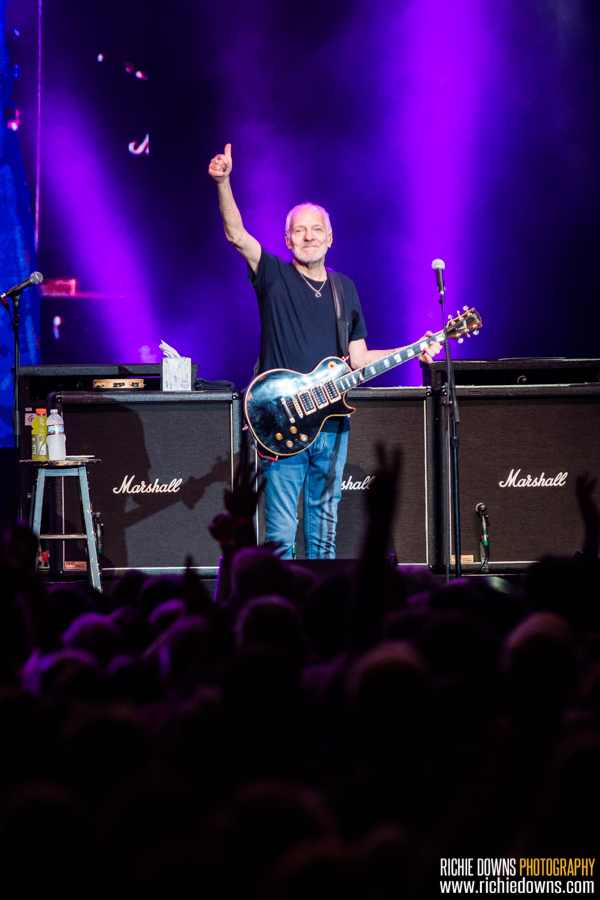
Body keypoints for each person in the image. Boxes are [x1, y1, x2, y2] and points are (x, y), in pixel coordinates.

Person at [208, 143, 442, 560]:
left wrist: (416, 348)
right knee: (280, 539)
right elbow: (236, 235)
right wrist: (224, 182)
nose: (309, 236)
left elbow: (359, 358)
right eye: (299, 230)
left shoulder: (343, 288)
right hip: (281, 423)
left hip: (331, 425)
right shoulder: (274, 276)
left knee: (323, 541)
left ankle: (321, 600)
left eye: (316, 230)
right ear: (287, 239)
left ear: (330, 238)